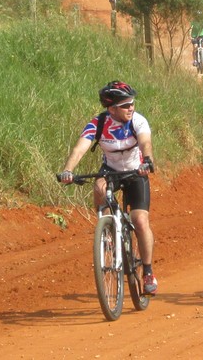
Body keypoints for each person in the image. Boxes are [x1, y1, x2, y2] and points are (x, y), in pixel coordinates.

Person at [57, 81, 159, 295]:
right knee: (99, 188)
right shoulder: (99, 123)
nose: (131, 107)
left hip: (135, 171)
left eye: (132, 103)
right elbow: (80, 148)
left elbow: (145, 142)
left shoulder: (138, 121)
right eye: (125, 105)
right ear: (111, 109)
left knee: (140, 220)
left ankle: (148, 272)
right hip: (111, 169)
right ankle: (106, 228)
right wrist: (68, 170)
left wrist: (147, 161)